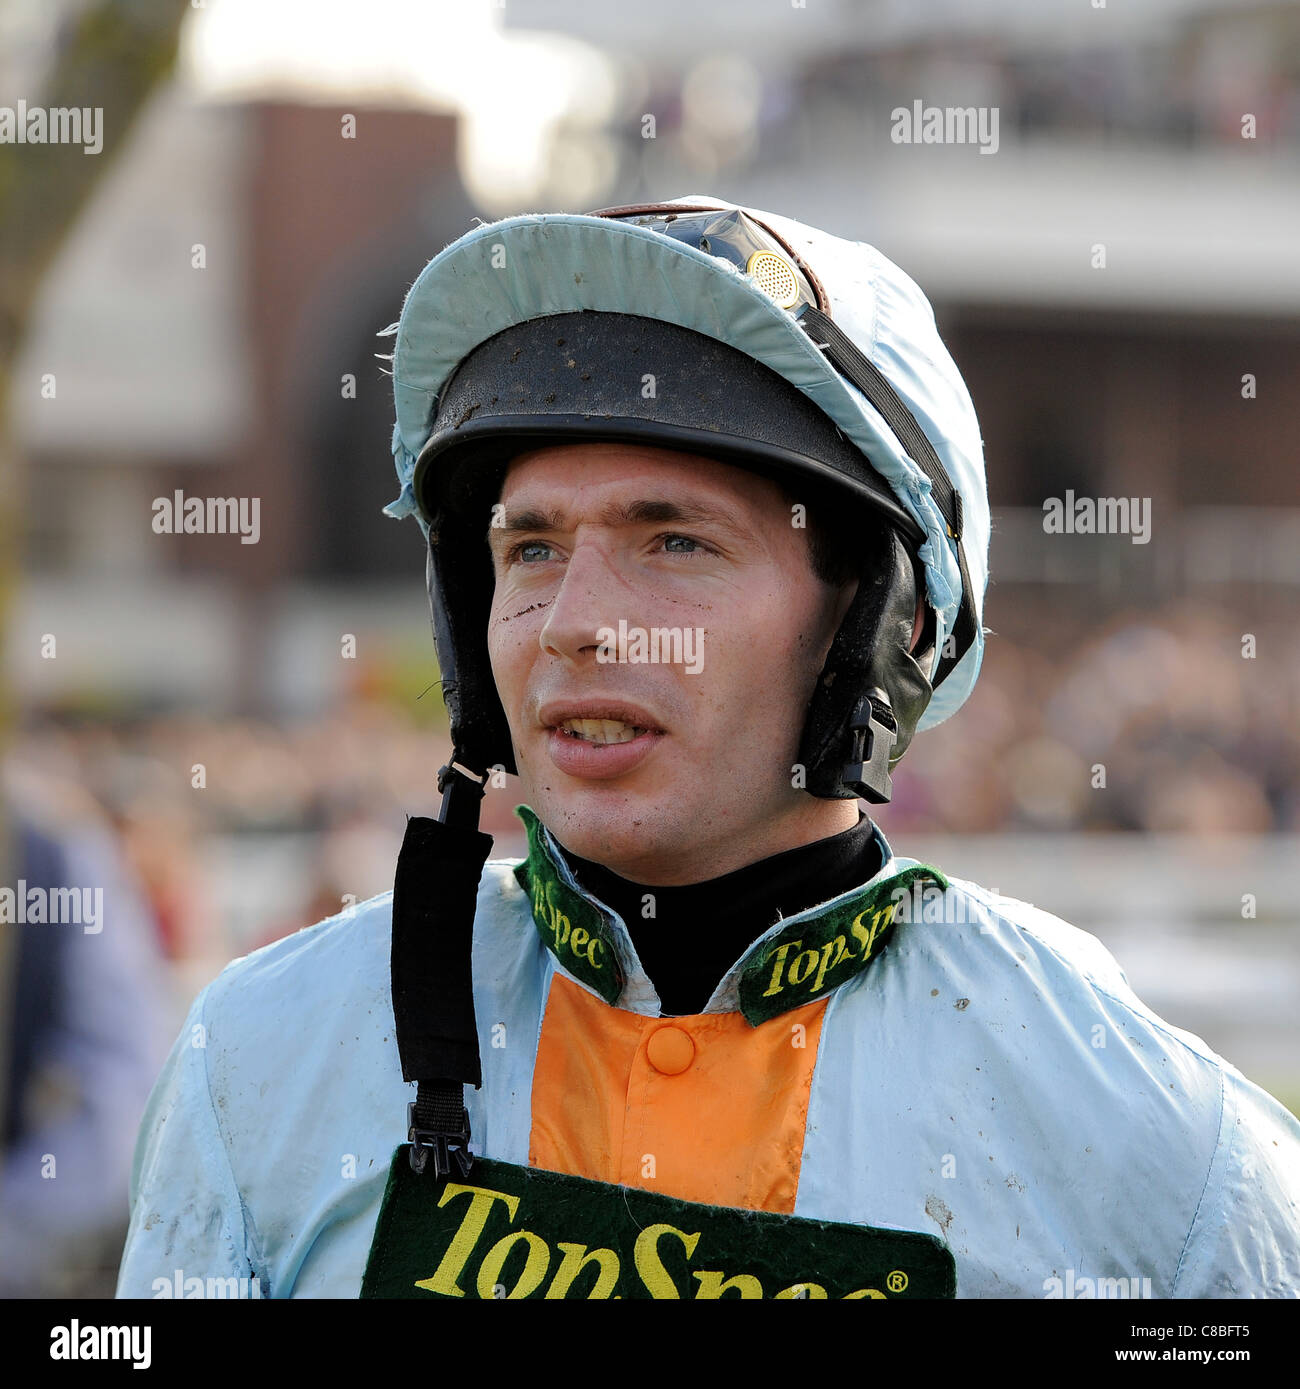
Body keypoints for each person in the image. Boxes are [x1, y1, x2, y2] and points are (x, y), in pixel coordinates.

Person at [117, 196, 1300, 1300]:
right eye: (529, 548)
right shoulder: (258, 1057)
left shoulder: (1160, 1146)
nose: (574, 620)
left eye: (674, 542)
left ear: (883, 630)